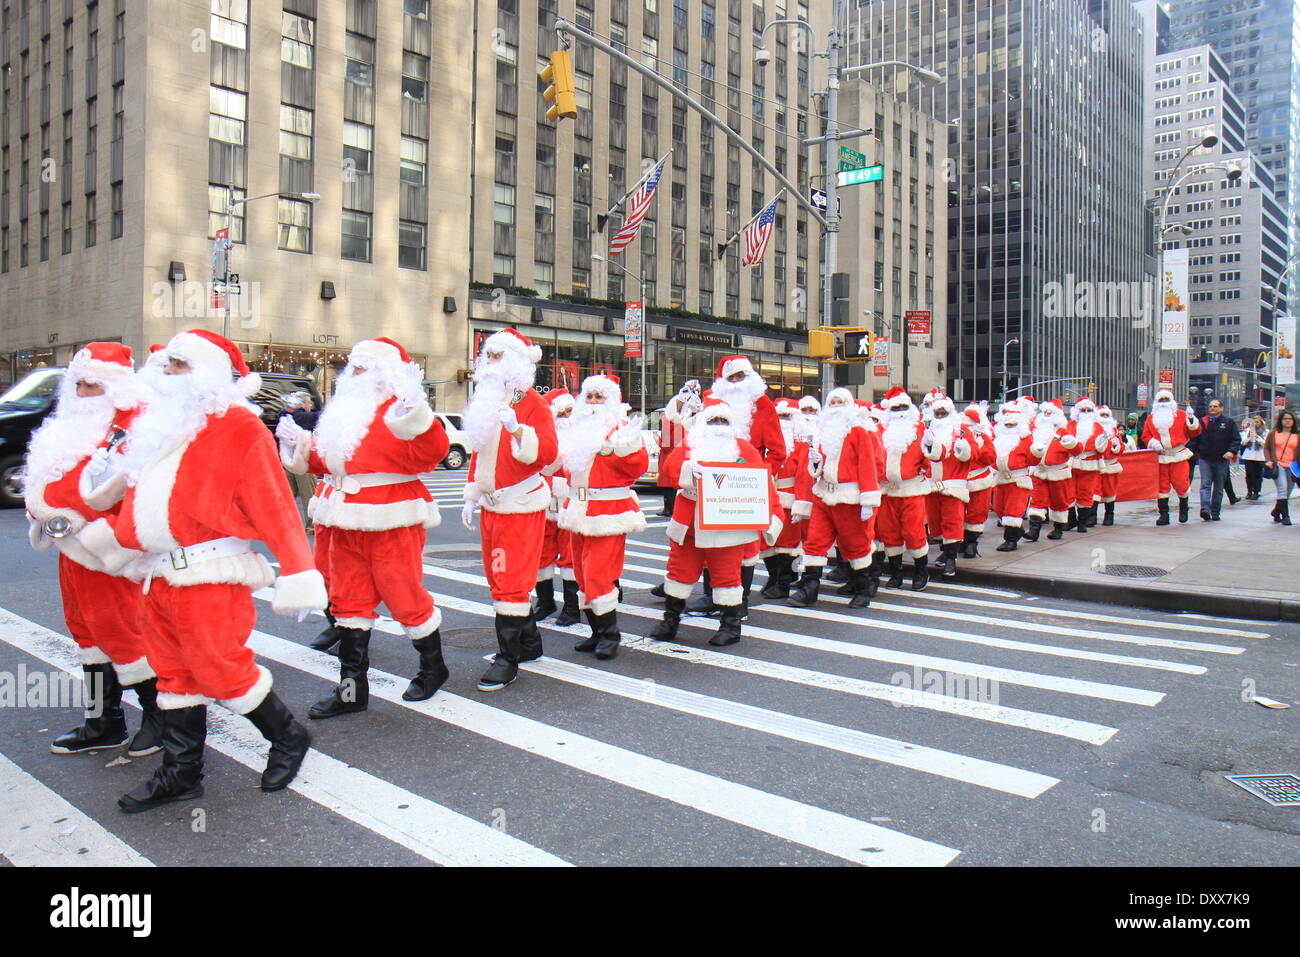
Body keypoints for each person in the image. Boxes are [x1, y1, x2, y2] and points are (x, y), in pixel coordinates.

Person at [94, 329, 327, 813]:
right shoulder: (161, 428)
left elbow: (277, 505)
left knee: (220, 669)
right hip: (159, 574)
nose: (166, 372)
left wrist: (299, 573)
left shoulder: (238, 427)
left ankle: (288, 737)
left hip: (211, 572)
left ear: (206, 373)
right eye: (166, 364)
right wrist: (118, 537)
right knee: (173, 676)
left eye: (178, 364)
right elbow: (141, 503)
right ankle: (181, 774)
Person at [277, 338, 450, 717]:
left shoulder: (400, 411)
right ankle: (352, 691)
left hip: (389, 517)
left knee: (404, 595)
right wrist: (302, 445)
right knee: (348, 601)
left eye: (362, 366)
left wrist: (416, 413)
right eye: (352, 366)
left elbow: (432, 451)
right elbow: (327, 462)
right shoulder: (344, 410)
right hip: (342, 518)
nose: (352, 373)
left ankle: (433, 667)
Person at [23, 343, 161, 757]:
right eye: (78, 383)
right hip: (72, 546)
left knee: (123, 630)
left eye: (92, 384)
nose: (83, 392)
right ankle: (104, 722)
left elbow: (125, 491)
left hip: (110, 548)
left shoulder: (135, 425)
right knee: (85, 629)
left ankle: (161, 719)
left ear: (115, 387)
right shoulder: (71, 423)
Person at [461, 328, 559, 692]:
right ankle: (530, 641)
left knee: (510, 581)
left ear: (517, 361)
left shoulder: (533, 402)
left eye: (498, 355)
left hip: (520, 502)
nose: (490, 361)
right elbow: (479, 452)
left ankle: (509, 657)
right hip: (492, 503)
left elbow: (547, 453)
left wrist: (520, 432)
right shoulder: (485, 399)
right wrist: (472, 494)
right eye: (488, 354)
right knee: (498, 575)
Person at [650, 397, 781, 647]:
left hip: (727, 526)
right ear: (702, 423)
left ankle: (731, 625)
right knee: (678, 573)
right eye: (713, 420)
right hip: (689, 524)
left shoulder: (744, 448)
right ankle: (670, 619)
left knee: (728, 576)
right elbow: (668, 469)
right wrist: (689, 469)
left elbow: (763, 484)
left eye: (723, 420)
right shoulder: (689, 445)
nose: (718, 425)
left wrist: (772, 517)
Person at [556, 374, 648, 660]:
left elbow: (637, 468)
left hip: (608, 511)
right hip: (578, 509)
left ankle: (610, 634)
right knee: (582, 575)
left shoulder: (620, 431)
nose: (594, 402)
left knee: (598, 573)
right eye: (590, 396)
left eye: (600, 397)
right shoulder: (577, 429)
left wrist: (629, 447)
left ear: (612, 401)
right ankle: (597, 632)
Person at [688, 355, 787, 618]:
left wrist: (758, 478)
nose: (735, 383)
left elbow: (778, 450)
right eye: (730, 378)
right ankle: (712, 596)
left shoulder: (762, 404)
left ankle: (738, 602)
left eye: (740, 376)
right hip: (710, 480)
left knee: (745, 546)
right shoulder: (710, 399)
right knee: (710, 541)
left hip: (745, 482)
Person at [787, 388, 882, 608]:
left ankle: (863, 587)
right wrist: (816, 462)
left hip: (849, 497)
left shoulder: (859, 431)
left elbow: (868, 465)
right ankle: (808, 589)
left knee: (857, 544)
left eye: (841, 402)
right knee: (815, 542)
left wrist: (868, 500)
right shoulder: (822, 431)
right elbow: (817, 468)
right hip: (823, 493)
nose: (837, 406)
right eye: (833, 402)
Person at [876, 387, 932, 590]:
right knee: (889, 532)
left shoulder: (920, 430)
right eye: (896, 407)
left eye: (903, 406)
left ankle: (921, 570)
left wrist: (933, 448)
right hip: (886, 491)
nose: (900, 410)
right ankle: (896, 573)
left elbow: (932, 458)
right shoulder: (880, 431)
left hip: (911, 490)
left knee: (913, 531)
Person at [533, 388, 581, 625]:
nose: (566, 416)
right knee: (541, 552)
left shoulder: (583, 435)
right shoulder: (544, 437)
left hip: (570, 501)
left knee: (570, 553)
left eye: (570, 411)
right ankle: (545, 601)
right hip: (543, 501)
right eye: (561, 412)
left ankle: (572, 607)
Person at [760, 397, 812, 600]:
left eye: (787, 416)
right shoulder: (767, 444)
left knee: (787, 544)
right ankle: (774, 578)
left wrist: (801, 502)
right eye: (779, 416)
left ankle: (783, 583)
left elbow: (803, 477)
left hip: (790, 497)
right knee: (767, 542)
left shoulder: (801, 445)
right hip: (769, 495)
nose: (783, 420)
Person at [922, 394, 975, 577]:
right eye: (938, 414)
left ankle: (951, 559)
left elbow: (974, 455)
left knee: (952, 521)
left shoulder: (962, 432)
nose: (940, 417)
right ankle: (946, 551)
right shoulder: (927, 432)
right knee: (936, 523)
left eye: (944, 413)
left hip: (953, 485)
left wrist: (964, 448)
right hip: (932, 485)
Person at [1141, 389, 1201, 525]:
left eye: (1166, 400)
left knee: (1181, 483)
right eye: (1160, 400)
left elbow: (1194, 432)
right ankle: (1164, 515)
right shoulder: (1151, 418)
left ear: (1172, 401)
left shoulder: (1181, 415)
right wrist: (1153, 442)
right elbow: (1145, 435)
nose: (1163, 403)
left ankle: (1183, 510)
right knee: (1161, 487)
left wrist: (1191, 419)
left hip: (1178, 455)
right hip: (1161, 457)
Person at [1027, 400, 1078, 540]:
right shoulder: (1036, 430)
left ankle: (1058, 529)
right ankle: (1034, 530)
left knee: (1059, 501)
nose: (1046, 415)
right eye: (1045, 412)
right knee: (1037, 500)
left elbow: (1077, 450)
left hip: (1058, 473)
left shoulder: (1063, 432)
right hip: (1039, 472)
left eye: (1050, 412)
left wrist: (1071, 442)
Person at [990, 399, 1035, 551]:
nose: (1009, 427)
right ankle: (1018, 530)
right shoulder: (998, 438)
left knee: (1013, 510)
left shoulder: (1025, 438)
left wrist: (1037, 452)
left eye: (1012, 424)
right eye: (1007, 424)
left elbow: (1032, 459)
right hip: (1001, 478)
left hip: (1018, 479)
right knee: (998, 508)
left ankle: (1010, 540)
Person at [1187, 398, 1240, 521]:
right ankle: (1205, 509)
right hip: (1205, 458)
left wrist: (1231, 451)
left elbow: (1236, 439)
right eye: (1211, 406)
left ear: (1221, 408)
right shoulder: (1203, 422)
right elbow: (1195, 439)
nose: (1212, 408)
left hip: (1222, 459)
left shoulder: (1228, 422)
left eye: (1215, 406)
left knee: (1218, 486)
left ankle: (1215, 511)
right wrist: (1190, 451)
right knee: (1205, 484)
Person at [657, 380, 700, 516]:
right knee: (673, 485)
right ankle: (670, 508)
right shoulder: (676, 419)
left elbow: (668, 443)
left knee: (671, 485)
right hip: (678, 456)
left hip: (676, 456)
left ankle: (670, 508)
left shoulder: (674, 420)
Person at [1065, 397, 1108, 532]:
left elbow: (1103, 446)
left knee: (1086, 493)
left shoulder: (1098, 427)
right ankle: (1071, 520)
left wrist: (1102, 445)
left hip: (1090, 464)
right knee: (1068, 492)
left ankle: (1082, 522)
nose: (1086, 412)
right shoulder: (1070, 425)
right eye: (1083, 410)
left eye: (1089, 410)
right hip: (1072, 463)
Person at [960, 403, 997, 557]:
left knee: (977, 512)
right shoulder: (956, 437)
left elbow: (991, 458)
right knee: (956, 514)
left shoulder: (983, 439)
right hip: (960, 480)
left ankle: (971, 543)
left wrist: (980, 447)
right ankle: (956, 543)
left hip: (980, 479)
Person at [1264, 409, 1298, 525]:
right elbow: (1267, 448)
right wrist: (1268, 460)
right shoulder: (1273, 433)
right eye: (1285, 419)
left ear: (1293, 421)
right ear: (1280, 421)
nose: (1287, 421)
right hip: (1278, 465)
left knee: (1288, 491)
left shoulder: (1297, 435)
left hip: (1293, 467)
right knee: (1282, 489)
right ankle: (1286, 517)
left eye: (1290, 419)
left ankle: (1276, 511)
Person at [1095, 405, 1125, 525]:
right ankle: (1091, 516)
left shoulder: (1114, 432)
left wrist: (1117, 446)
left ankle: (1109, 515)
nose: (1104, 418)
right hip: (1096, 465)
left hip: (1110, 465)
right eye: (1102, 415)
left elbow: (1121, 448)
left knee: (1109, 491)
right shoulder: (1093, 430)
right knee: (1094, 491)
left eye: (1106, 415)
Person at [1240, 414, 1267, 501]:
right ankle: (1249, 491)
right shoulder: (1248, 431)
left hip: (1260, 456)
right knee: (1249, 475)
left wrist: (1257, 437)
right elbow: (1243, 443)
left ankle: (1256, 491)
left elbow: (1265, 444)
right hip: (1249, 456)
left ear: (1261, 422)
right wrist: (1248, 437)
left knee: (1258, 475)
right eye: (1253, 422)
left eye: (1257, 422)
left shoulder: (1265, 431)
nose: (1255, 424)